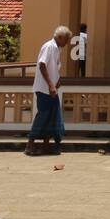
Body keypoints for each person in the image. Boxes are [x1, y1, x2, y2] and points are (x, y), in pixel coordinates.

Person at [26, 25, 72, 156]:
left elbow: (54, 68)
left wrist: (57, 80)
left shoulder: (57, 49)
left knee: (52, 116)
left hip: (51, 90)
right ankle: (30, 145)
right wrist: (51, 84)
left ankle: (46, 145)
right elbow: (42, 65)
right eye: (66, 39)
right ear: (60, 37)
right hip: (44, 89)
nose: (67, 43)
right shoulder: (49, 46)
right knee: (43, 116)